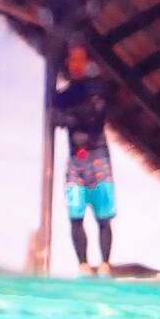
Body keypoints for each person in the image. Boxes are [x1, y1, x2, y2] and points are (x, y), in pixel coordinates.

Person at [53, 45, 115, 276]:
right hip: (75, 160)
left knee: (104, 217)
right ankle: (83, 265)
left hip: (98, 157)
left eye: (81, 60)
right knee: (75, 215)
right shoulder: (64, 94)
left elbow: (94, 115)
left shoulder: (97, 87)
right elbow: (56, 115)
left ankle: (106, 264)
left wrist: (69, 117)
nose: (76, 65)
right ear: (67, 63)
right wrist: (68, 117)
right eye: (72, 60)